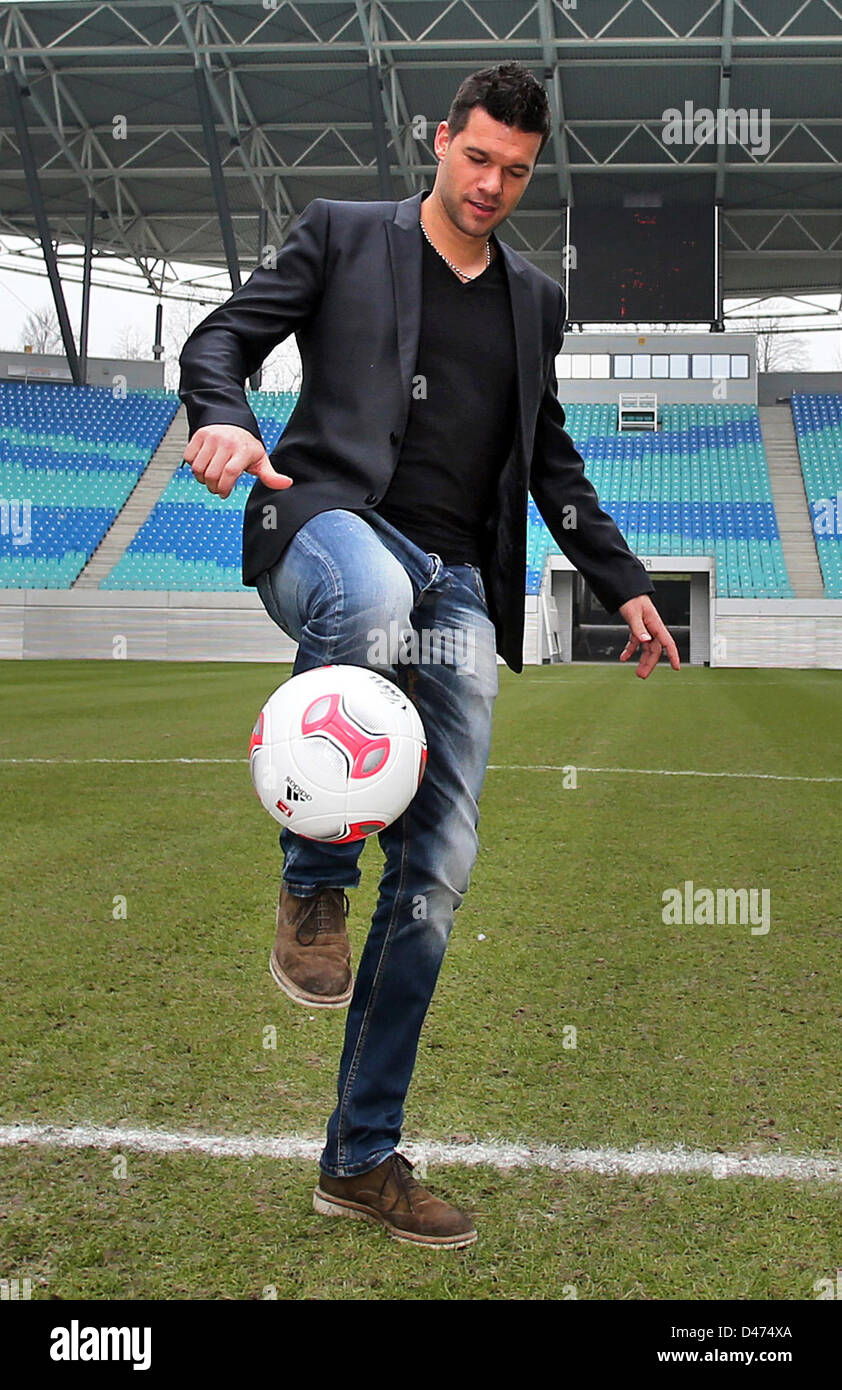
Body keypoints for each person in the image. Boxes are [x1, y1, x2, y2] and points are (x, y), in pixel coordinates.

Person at [178, 61, 680, 1250]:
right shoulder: (342, 236)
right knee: (371, 584)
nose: (491, 184)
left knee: (441, 867)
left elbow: (547, 459)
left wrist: (625, 583)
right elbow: (220, 338)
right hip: (324, 526)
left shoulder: (533, 299)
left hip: (458, 583)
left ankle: (358, 1158)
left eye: (515, 170)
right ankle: (310, 891)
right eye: (475, 158)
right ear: (439, 140)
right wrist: (222, 416)